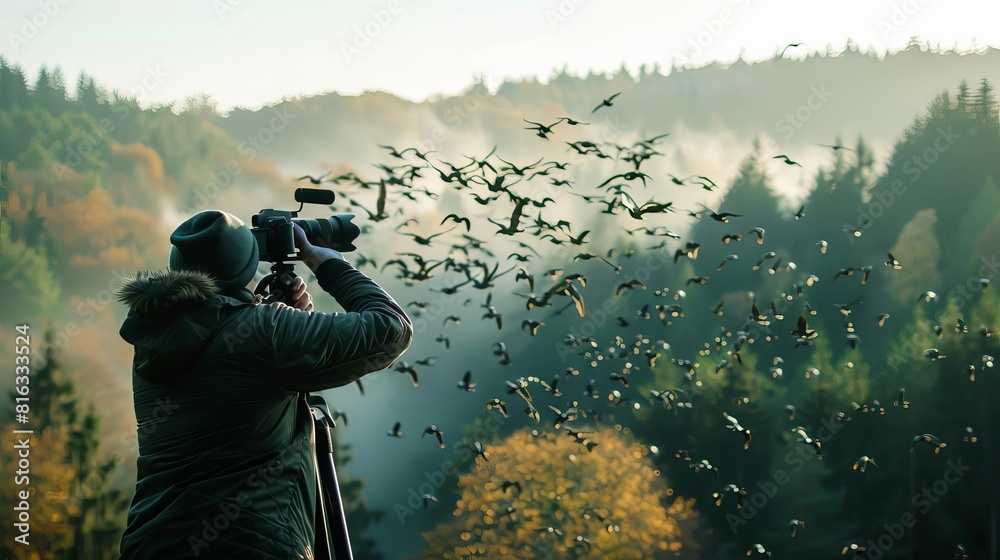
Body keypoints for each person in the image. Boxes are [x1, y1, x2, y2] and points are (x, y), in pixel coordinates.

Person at [115, 210, 412, 559]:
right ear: (244, 265)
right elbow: (391, 329)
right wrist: (326, 261)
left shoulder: (153, 344)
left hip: (152, 545)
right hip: (250, 546)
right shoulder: (265, 331)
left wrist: (272, 315)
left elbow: (231, 362)